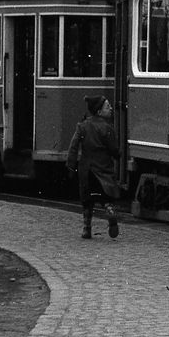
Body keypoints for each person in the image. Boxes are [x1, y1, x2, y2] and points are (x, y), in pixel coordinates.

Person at [66, 94, 122, 240]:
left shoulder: (82, 126)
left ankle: (86, 228)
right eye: (107, 106)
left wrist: (71, 165)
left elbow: (73, 146)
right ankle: (109, 210)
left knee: (87, 201)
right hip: (103, 169)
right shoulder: (107, 128)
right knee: (105, 197)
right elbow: (114, 149)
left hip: (86, 170)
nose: (110, 108)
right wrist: (118, 155)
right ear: (99, 111)